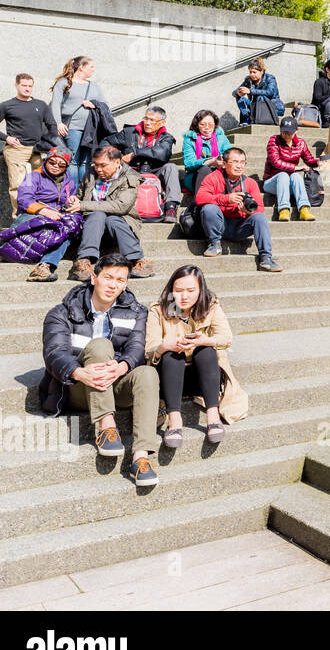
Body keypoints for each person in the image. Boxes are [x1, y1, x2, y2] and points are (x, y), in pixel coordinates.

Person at [40, 252, 161, 488]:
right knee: (99, 345)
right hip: (75, 388)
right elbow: (54, 353)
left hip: (114, 384)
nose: (113, 285)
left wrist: (122, 367)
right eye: (108, 277)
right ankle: (106, 428)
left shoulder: (136, 311)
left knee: (148, 373)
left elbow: (137, 348)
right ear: (94, 277)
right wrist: (79, 372)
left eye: (120, 280)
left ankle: (141, 457)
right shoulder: (61, 312)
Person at [146, 265, 245, 449]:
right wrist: (164, 346)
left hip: (202, 377)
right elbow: (149, 351)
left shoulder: (211, 305)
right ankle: (175, 421)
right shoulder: (158, 310)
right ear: (171, 290)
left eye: (191, 291)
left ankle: (213, 416)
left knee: (206, 350)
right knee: (172, 355)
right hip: (169, 377)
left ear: (200, 290)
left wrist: (203, 340)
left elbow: (226, 338)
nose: (184, 296)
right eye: (178, 291)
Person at [67, 146, 156, 282]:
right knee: (97, 215)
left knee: (112, 219)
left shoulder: (130, 177)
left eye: (103, 165)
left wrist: (83, 205)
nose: (98, 169)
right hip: (92, 226)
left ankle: (138, 259)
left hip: (120, 225)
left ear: (117, 162)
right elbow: (80, 195)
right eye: (96, 165)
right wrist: (75, 200)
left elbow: (121, 206)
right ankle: (84, 261)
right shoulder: (91, 173)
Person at [195, 147, 281, 272]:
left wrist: (248, 211)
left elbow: (260, 208)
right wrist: (226, 199)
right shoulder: (213, 177)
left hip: (241, 226)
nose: (239, 166)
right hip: (220, 224)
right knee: (209, 208)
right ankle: (215, 245)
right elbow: (200, 198)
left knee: (259, 217)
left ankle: (266, 258)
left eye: (242, 162)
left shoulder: (250, 182)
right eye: (235, 162)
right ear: (224, 164)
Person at [0, 72, 54, 215]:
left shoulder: (40, 105)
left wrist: (48, 142)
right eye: (24, 85)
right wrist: (7, 138)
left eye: (30, 86)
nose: (27, 89)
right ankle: (18, 218)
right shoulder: (6, 105)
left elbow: (52, 125)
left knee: (42, 184)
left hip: (37, 149)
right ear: (16, 85)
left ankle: (41, 215)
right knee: (17, 186)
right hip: (16, 150)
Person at [104, 105, 180, 223]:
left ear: (162, 123)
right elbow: (106, 142)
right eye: (146, 118)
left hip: (155, 171)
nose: (147, 123)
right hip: (131, 171)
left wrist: (134, 153)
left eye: (152, 120)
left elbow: (162, 153)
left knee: (171, 167)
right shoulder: (129, 133)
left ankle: (170, 208)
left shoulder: (166, 137)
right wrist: (115, 156)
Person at [13, 146, 78, 282]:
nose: (56, 166)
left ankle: (44, 266)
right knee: (62, 229)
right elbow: (24, 199)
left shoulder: (69, 182)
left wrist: (72, 201)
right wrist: (44, 211)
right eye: (52, 162)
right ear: (46, 160)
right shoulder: (33, 176)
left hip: (55, 220)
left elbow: (66, 203)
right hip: (31, 216)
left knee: (70, 227)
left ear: (66, 166)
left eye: (61, 164)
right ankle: (45, 265)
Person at [50, 55, 103, 187]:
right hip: (73, 127)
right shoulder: (64, 82)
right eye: (91, 66)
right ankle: (73, 191)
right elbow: (55, 104)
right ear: (81, 67)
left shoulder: (94, 86)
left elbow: (104, 103)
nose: (93, 69)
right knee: (73, 160)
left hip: (91, 129)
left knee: (86, 161)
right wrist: (58, 122)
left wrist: (94, 104)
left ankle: (83, 192)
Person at [263, 116, 320, 222]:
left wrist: (317, 162)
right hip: (272, 182)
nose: (286, 135)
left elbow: (309, 159)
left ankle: (304, 209)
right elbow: (275, 162)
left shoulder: (301, 143)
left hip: (290, 183)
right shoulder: (273, 140)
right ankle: (284, 209)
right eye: (284, 132)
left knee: (296, 176)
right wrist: (296, 167)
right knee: (283, 175)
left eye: (290, 132)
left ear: (296, 131)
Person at [181, 110, 232, 196]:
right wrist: (208, 162)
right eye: (203, 124)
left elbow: (230, 155)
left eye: (210, 124)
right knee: (205, 169)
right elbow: (189, 163)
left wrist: (223, 161)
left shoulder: (221, 138)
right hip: (196, 176)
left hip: (218, 174)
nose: (207, 127)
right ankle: (201, 202)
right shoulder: (189, 140)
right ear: (197, 125)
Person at [233, 58, 283, 125]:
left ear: (261, 71)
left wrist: (250, 91)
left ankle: (252, 119)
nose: (252, 74)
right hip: (256, 107)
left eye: (254, 72)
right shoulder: (249, 80)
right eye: (250, 72)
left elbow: (270, 92)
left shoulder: (270, 78)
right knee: (239, 97)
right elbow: (234, 92)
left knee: (260, 97)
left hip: (271, 106)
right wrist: (239, 92)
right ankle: (248, 118)